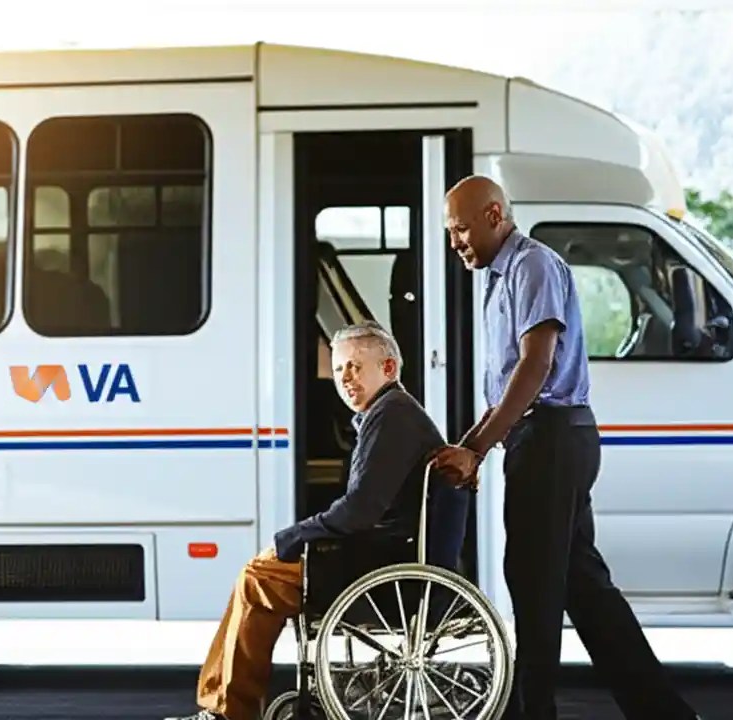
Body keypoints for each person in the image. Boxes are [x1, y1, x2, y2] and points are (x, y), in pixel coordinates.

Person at [431, 176, 701, 720]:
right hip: (544, 437)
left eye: (460, 229)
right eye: (449, 231)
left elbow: (536, 366)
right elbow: (509, 384)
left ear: (493, 215)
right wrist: (470, 445)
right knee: (585, 590)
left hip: (552, 438)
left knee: (532, 588)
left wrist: (478, 449)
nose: (455, 241)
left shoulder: (531, 266)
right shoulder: (499, 276)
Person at [166, 320, 470, 720]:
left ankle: (228, 711)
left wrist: (292, 536)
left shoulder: (392, 416)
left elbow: (360, 509)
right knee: (257, 574)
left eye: (356, 367)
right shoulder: (391, 413)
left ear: (389, 369)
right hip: (391, 554)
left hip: (384, 565)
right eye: (340, 368)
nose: (345, 377)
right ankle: (225, 706)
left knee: (258, 579)